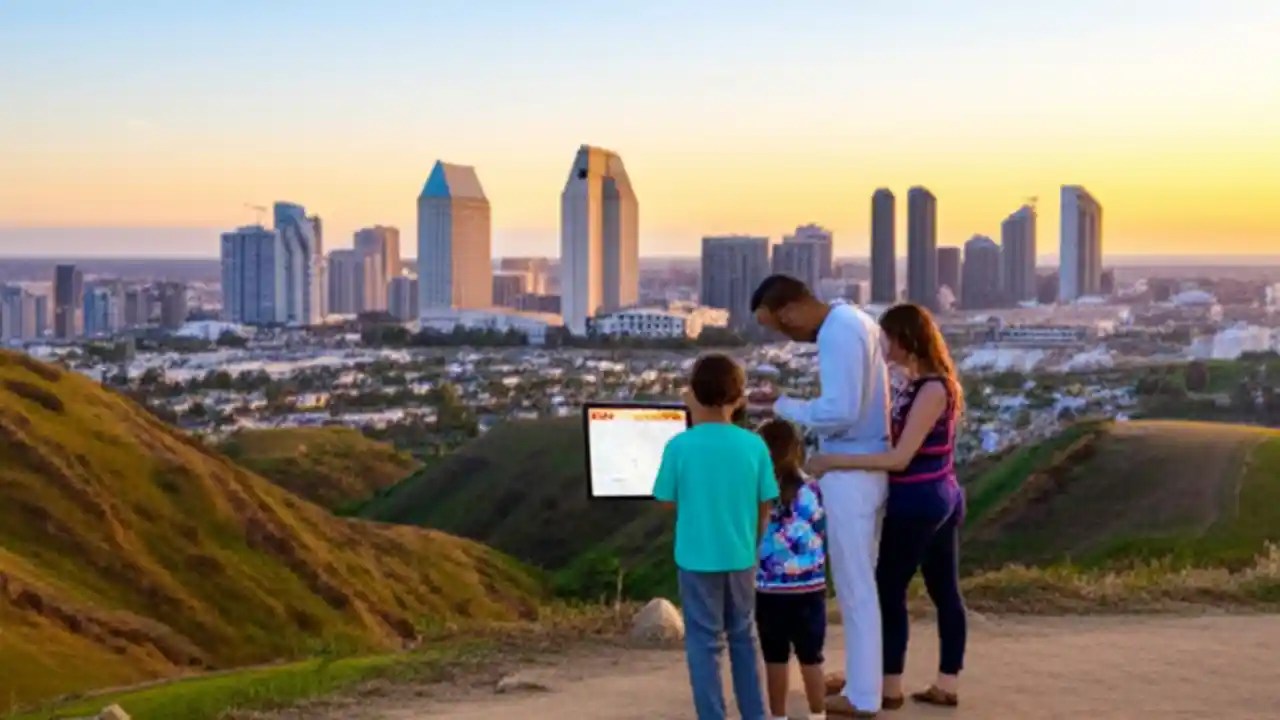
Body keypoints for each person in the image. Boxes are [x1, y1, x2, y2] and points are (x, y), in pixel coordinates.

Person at [806, 303, 968, 709]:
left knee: (887, 591)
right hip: (938, 496)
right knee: (942, 589)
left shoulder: (932, 389)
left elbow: (899, 458)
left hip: (919, 500)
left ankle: (888, 686)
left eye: (890, 338)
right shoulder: (920, 384)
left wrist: (834, 461)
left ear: (907, 339)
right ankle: (940, 683)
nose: (885, 347)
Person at [750, 275, 891, 718]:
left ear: (790, 310)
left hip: (851, 468)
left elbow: (841, 411)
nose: (786, 337)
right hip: (860, 465)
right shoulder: (855, 321)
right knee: (858, 583)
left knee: (854, 586)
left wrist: (784, 405)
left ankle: (864, 696)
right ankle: (864, 680)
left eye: (778, 327)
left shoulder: (837, 331)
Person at [653, 353, 778, 720]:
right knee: (743, 637)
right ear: (740, 398)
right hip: (740, 557)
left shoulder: (680, 446)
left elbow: (664, 500)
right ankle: (755, 714)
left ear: (692, 393)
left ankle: (712, 714)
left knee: (704, 643)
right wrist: (753, 543)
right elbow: (765, 504)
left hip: (695, 557)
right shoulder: (754, 445)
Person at [756, 419, 830, 720]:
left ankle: (778, 716)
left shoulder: (759, 490)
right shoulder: (813, 489)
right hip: (811, 587)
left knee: (775, 659)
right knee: (811, 658)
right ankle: (818, 714)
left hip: (770, 589)